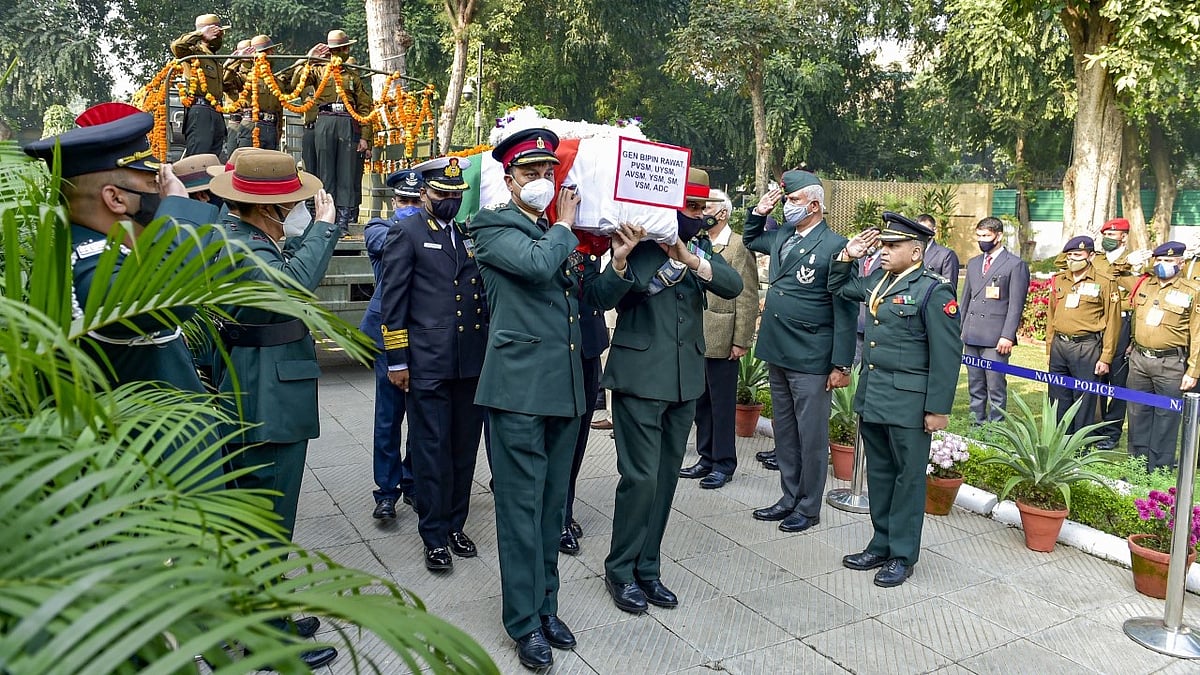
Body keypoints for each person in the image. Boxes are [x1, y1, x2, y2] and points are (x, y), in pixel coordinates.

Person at [471, 128, 608, 670]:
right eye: (530, 173)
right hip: (518, 391)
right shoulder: (492, 226)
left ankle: (547, 606)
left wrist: (617, 263)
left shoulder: (559, 234)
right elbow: (533, 266)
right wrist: (567, 228)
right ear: (508, 180)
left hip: (565, 391)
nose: (542, 181)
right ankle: (523, 622)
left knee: (552, 509)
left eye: (549, 173)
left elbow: (588, 299)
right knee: (521, 512)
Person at [206, 149, 340, 670]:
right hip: (267, 397)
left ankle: (264, 616)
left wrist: (309, 235)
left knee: (255, 520)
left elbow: (282, 263)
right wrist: (325, 229)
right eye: (288, 209)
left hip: (256, 387)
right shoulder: (245, 246)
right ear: (268, 212)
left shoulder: (239, 236)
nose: (295, 215)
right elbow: (292, 286)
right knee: (268, 523)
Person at [595, 167, 743, 613]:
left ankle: (648, 568)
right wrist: (623, 259)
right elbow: (602, 296)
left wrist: (689, 257)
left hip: (683, 381)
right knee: (640, 479)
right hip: (640, 379)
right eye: (691, 207)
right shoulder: (635, 244)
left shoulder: (694, 248)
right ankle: (620, 570)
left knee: (664, 482)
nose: (698, 216)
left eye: (702, 208)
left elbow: (732, 285)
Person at [22, 107, 218, 396]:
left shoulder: (109, 253)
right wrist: (178, 207)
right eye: (154, 184)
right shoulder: (89, 267)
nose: (161, 195)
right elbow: (175, 294)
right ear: (115, 198)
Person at [830, 213, 962, 587]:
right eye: (883, 245)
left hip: (909, 402)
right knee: (882, 474)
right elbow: (840, 287)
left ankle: (902, 555)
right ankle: (881, 543)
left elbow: (947, 353)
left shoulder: (935, 291)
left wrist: (938, 408)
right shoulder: (880, 280)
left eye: (893, 246)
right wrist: (846, 256)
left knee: (908, 480)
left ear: (916, 251)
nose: (884, 251)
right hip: (874, 395)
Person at [378, 156, 487, 573]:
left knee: (463, 450)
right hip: (426, 362)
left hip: (468, 363)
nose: (449, 201)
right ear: (424, 192)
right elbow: (394, 303)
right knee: (431, 450)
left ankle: (455, 524)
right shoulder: (405, 232)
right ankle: (434, 534)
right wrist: (398, 360)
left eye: (456, 196)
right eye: (442, 194)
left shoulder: (464, 234)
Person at [743, 170, 856, 534]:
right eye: (786, 200)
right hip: (778, 348)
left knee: (810, 436)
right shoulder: (783, 236)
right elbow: (751, 238)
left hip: (811, 354)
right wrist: (759, 211)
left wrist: (841, 363)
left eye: (792, 200)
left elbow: (845, 307)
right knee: (786, 431)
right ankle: (788, 496)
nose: (787, 206)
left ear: (814, 204)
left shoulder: (834, 246)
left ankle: (809, 506)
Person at [679, 187, 761, 489]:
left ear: (723, 213)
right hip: (696, 337)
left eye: (706, 207)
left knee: (722, 405)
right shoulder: (697, 241)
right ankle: (705, 456)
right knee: (702, 403)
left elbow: (748, 295)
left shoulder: (737, 245)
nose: (703, 214)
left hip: (724, 337)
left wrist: (741, 340)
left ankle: (723, 462)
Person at [360, 169, 421, 520]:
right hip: (389, 336)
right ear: (393, 201)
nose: (409, 207)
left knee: (422, 416)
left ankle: (412, 481)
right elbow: (387, 242)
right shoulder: (377, 228)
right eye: (404, 201)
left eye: (416, 201)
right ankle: (386, 491)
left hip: (425, 336)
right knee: (388, 417)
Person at [560, 230, 612, 555]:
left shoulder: (591, 242)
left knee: (578, 439)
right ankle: (558, 516)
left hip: (588, 347)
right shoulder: (550, 234)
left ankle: (564, 508)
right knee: (560, 439)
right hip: (557, 351)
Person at [1125, 242, 1200, 471]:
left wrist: (1193, 370)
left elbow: (1197, 333)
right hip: (1139, 359)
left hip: (1171, 363)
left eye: (1168, 261)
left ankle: (1159, 470)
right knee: (1137, 415)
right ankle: (1137, 466)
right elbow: (1136, 317)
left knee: (1166, 419)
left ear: (1180, 263)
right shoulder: (1145, 284)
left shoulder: (1192, 291)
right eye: (1158, 260)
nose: (1162, 265)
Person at [292, 29, 373, 237]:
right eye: (336, 49)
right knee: (325, 172)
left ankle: (343, 222)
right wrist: (309, 58)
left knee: (345, 173)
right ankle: (324, 218)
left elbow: (365, 106)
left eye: (342, 49)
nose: (340, 52)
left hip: (347, 121)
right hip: (324, 120)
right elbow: (295, 83)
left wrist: (365, 137)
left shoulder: (352, 74)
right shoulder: (318, 70)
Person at [1046, 236, 1122, 433]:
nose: (1072, 259)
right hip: (1060, 345)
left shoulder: (1105, 282)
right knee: (1057, 396)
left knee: (1084, 400)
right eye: (1069, 255)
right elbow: (1051, 315)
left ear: (1091, 255)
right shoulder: (1060, 280)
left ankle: (1079, 447)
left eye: (1077, 255)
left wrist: (1106, 357)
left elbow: (1113, 322)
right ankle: (1058, 440)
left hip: (1086, 347)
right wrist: (1049, 347)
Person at [959, 217, 1029, 424]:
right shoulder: (973, 263)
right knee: (975, 384)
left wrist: (1007, 335)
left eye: (986, 236)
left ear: (998, 236)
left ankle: (996, 429)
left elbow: (1016, 304)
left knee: (995, 386)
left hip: (996, 337)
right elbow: (965, 301)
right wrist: (959, 330)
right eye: (979, 236)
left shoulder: (1015, 265)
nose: (982, 240)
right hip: (972, 334)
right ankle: (976, 424)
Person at [169, 14, 242, 157]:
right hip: (200, 111)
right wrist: (201, 34)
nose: (221, 36)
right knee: (198, 158)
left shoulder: (215, 59)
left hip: (216, 111)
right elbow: (176, 46)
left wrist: (236, 60)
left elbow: (226, 84)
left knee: (213, 158)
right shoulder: (193, 53)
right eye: (218, 32)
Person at [1092, 217, 1136, 449]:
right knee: (1095, 377)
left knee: (1118, 382)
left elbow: (1139, 297)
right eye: (1106, 235)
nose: (1108, 239)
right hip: (1097, 323)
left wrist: (1133, 338)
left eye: (1113, 235)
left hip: (1122, 324)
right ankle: (1095, 426)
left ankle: (1112, 431)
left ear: (1124, 237)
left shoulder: (1134, 263)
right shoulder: (1096, 260)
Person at [228, 35, 285, 151]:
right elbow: (225, 81)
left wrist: (278, 132)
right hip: (251, 125)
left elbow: (278, 109)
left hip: (271, 128)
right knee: (247, 164)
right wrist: (235, 60)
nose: (272, 54)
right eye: (268, 51)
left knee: (270, 166)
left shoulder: (276, 81)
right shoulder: (245, 76)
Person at [916, 214, 960, 286]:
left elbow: (948, 287)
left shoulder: (946, 255)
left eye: (926, 229)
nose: (923, 232)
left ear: (934, 230)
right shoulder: (910, 252)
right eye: (920, 229)